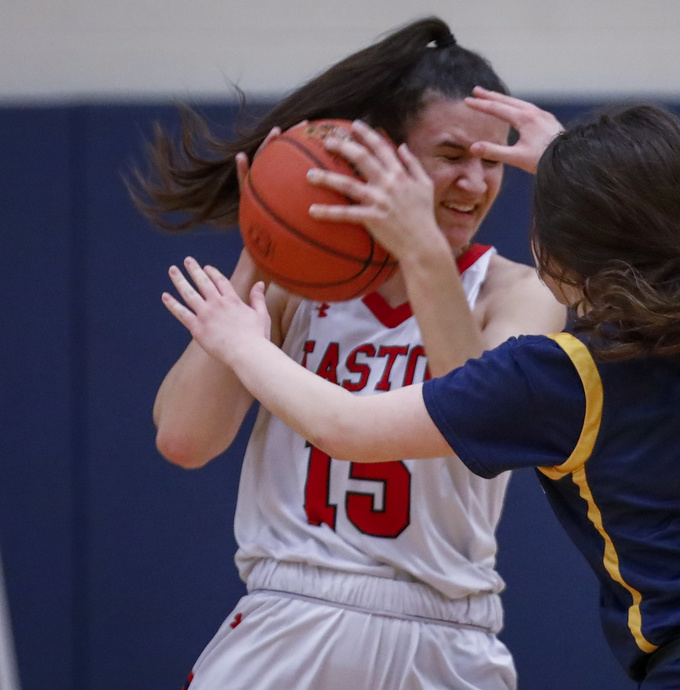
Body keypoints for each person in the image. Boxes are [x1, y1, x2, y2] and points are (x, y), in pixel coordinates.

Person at [162, 101, 680, 689]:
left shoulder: (562, 374)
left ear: (553, 250)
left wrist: (240, 342)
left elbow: (347, 426)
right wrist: (577, 166)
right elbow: (656, 212)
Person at [132, 16, 567, 690]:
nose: (476, 182)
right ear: (385, 154)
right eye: (452, 155)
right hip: (291, 612)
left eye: (492, 161)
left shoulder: (518, 294)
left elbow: (483, 420)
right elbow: (185, 440)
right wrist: (260, 249)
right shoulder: (293, 291)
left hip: (448, 632)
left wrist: (421, 245)